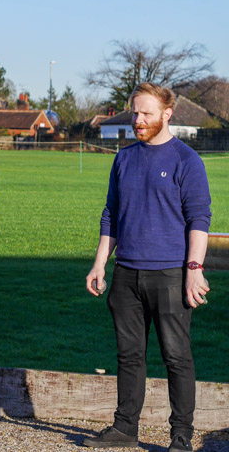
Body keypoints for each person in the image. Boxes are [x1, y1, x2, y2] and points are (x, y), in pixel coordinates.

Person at [83, 83, 211, 452]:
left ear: (167, 114)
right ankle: (124, 429)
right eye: (135, 113)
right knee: (129, 355)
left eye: (146, 114)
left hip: (171, 275)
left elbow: (199, 218)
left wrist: (193, 267)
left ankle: (181, 437)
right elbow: (112, 215)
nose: (138, 121)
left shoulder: (186, 160)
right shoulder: (124, 158)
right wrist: (99, 264)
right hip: (126, 274)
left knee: (177, 357)